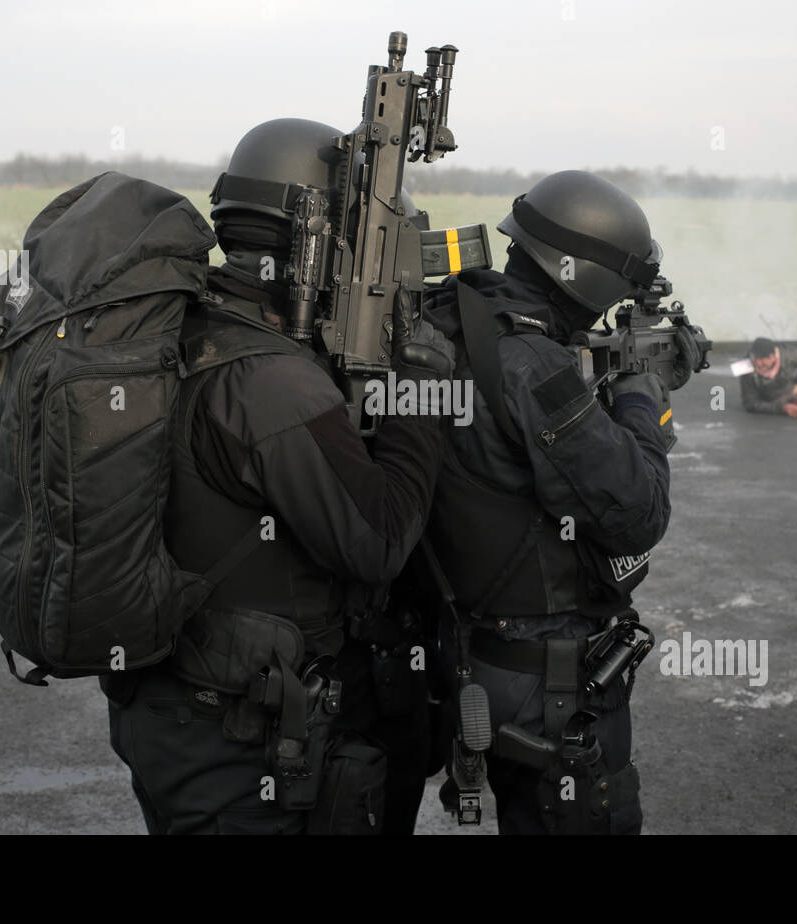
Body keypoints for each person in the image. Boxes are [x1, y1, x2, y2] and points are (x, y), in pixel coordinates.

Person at [97, 118, 454, 834]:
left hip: (181, 705)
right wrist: (419, 386)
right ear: (321, 241)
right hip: (235, 733)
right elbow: (377, 539)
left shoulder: (196, 324)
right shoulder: (273, 382)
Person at [411, 170, 697, 834]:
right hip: (550, 685)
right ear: (590, 278)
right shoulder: (531, 364)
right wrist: (640, 399)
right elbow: (637, 515)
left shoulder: (453, 318)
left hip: (472, 657)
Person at [740, 337, 797, 419]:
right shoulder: (744, 365)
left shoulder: (789, 355)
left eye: (762, 360)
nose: (758, 364)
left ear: (773, 357)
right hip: (766, 400)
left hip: (788, 389)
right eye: (755, 359)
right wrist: (782, 409)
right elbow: (750, 404)